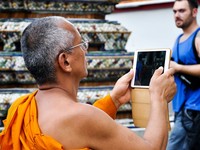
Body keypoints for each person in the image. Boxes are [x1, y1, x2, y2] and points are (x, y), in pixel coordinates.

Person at [0, 16, 176, 150]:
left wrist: (114, 100)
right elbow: (151, 148)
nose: (85, 50)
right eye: (81, 44)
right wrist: (159, 98)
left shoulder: (19, 108)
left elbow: (79, 130)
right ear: (65, 61)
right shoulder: (83, 117)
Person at [167, 0, 200, 150]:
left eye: (181, 11)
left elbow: (177, 67)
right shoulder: (179, 39)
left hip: (193, 109)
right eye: (174, 11)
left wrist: (178, 67)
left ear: (194, 12)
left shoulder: (198, 38)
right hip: (180, 108)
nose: (177, 15)